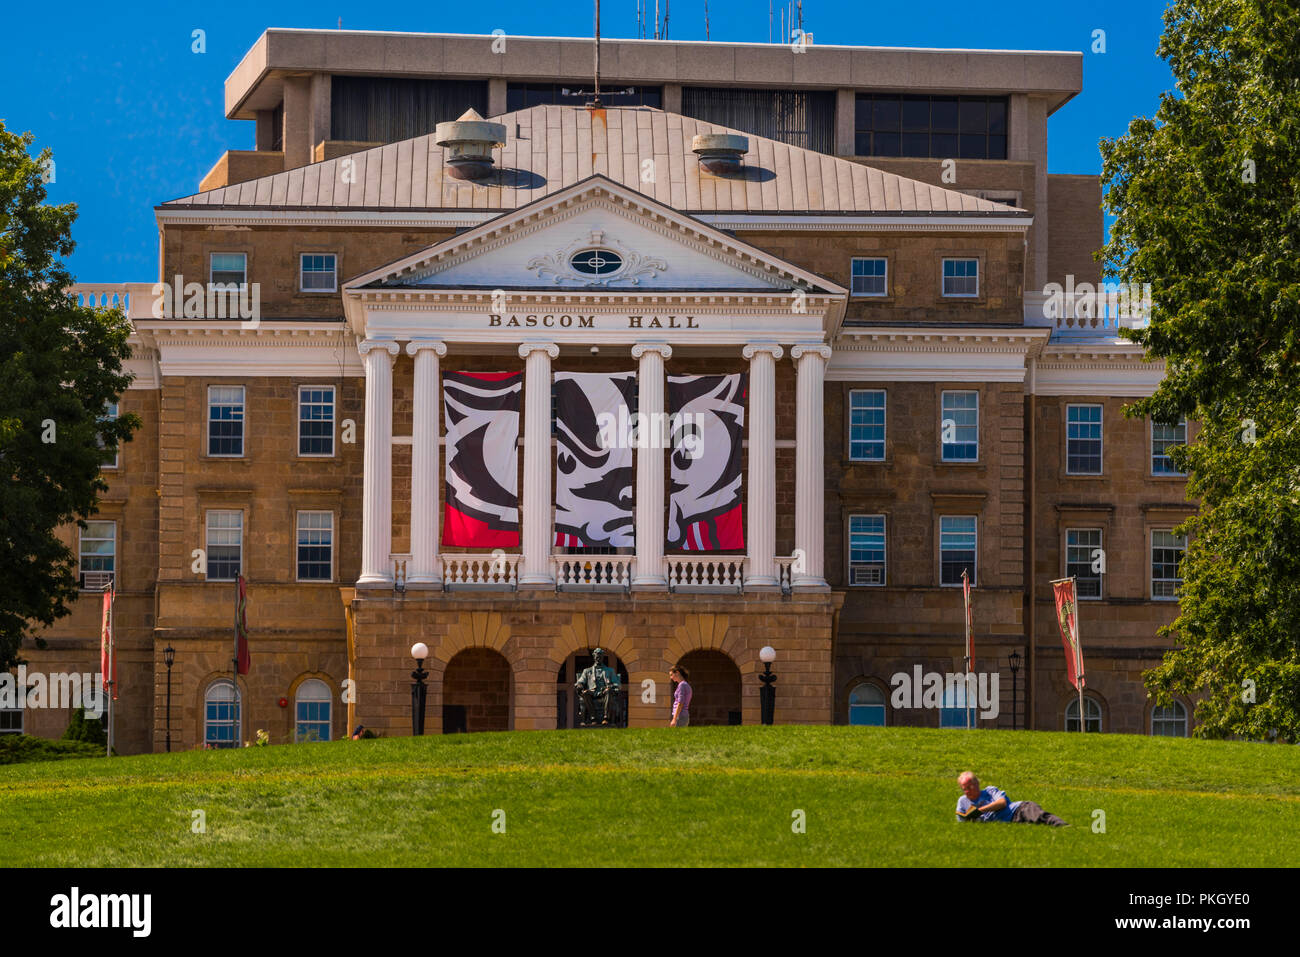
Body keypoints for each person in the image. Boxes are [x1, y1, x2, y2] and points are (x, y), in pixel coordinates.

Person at [955, 771, 1068, 826]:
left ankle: (1064, 826)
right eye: (964, 789)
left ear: (977, 783)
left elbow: (1002, 802)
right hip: (1010, 823)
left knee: (1040, 817)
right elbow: (961, 821)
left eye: (970, 787)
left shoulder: (990, 791)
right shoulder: (962, 801)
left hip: (1018, 810)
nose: (967, 791)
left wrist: (980, 811)